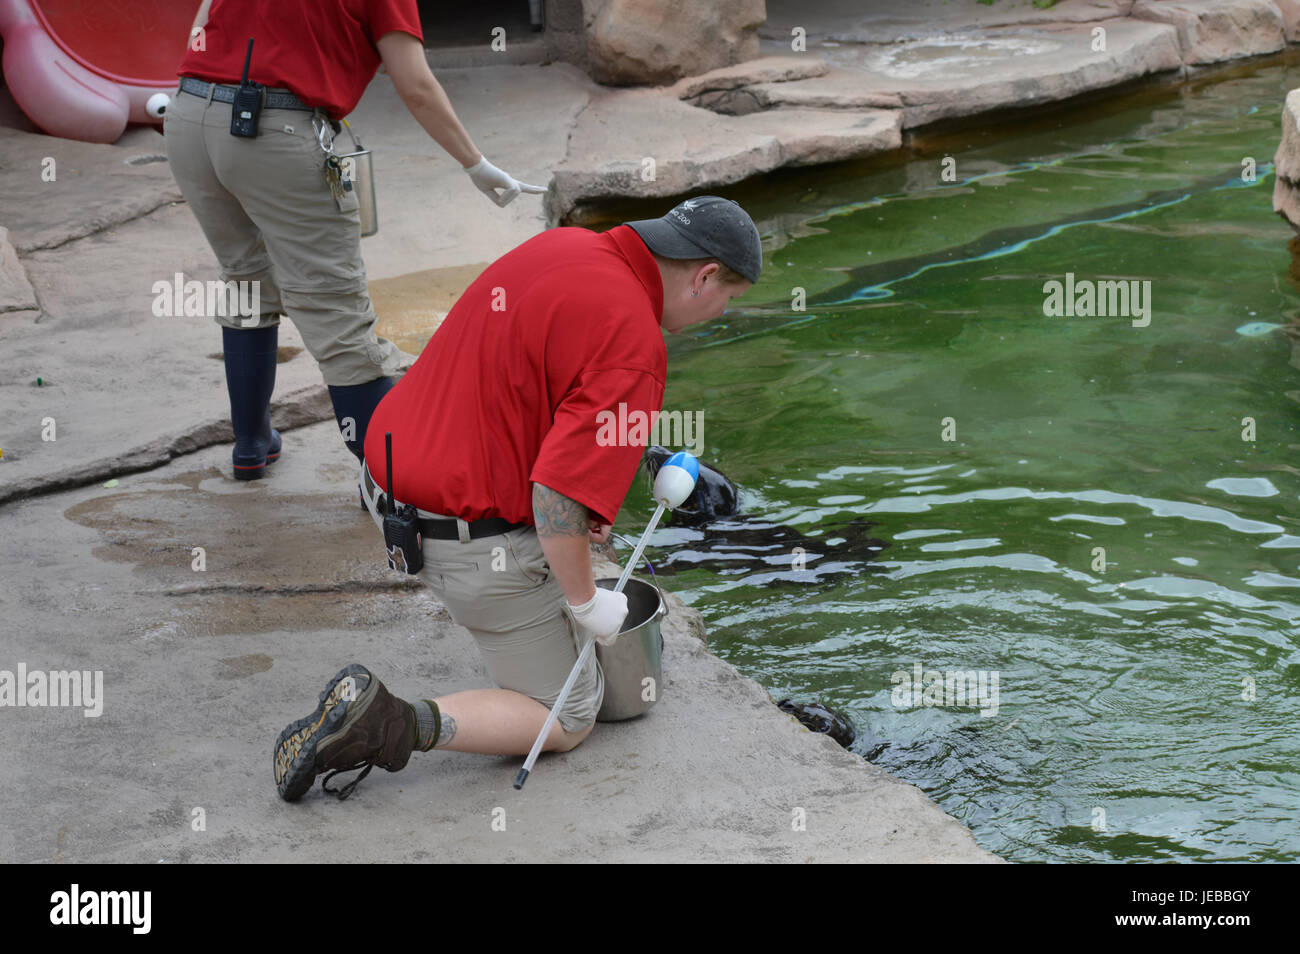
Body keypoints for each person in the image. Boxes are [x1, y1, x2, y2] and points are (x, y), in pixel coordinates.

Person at [273, 196, 763, 801]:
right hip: (459, 537)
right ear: (705, 275)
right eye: (729, 298)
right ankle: (387, 722)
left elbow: (520, 387)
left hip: (386, 481)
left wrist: (581, 513)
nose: (721, 313)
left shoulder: (565, 245)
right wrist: (586, 602)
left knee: (565, 543)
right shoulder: (636, 347)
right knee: (566, 714)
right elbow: (556, 495)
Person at [164, 0, 542, 481]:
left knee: (245, 281)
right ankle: (395, 485)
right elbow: (417, 86)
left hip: (189, 118)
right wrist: (475, 163)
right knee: (338, 317)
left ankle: (251, 443)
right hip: (273, 130)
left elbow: (202, 23)